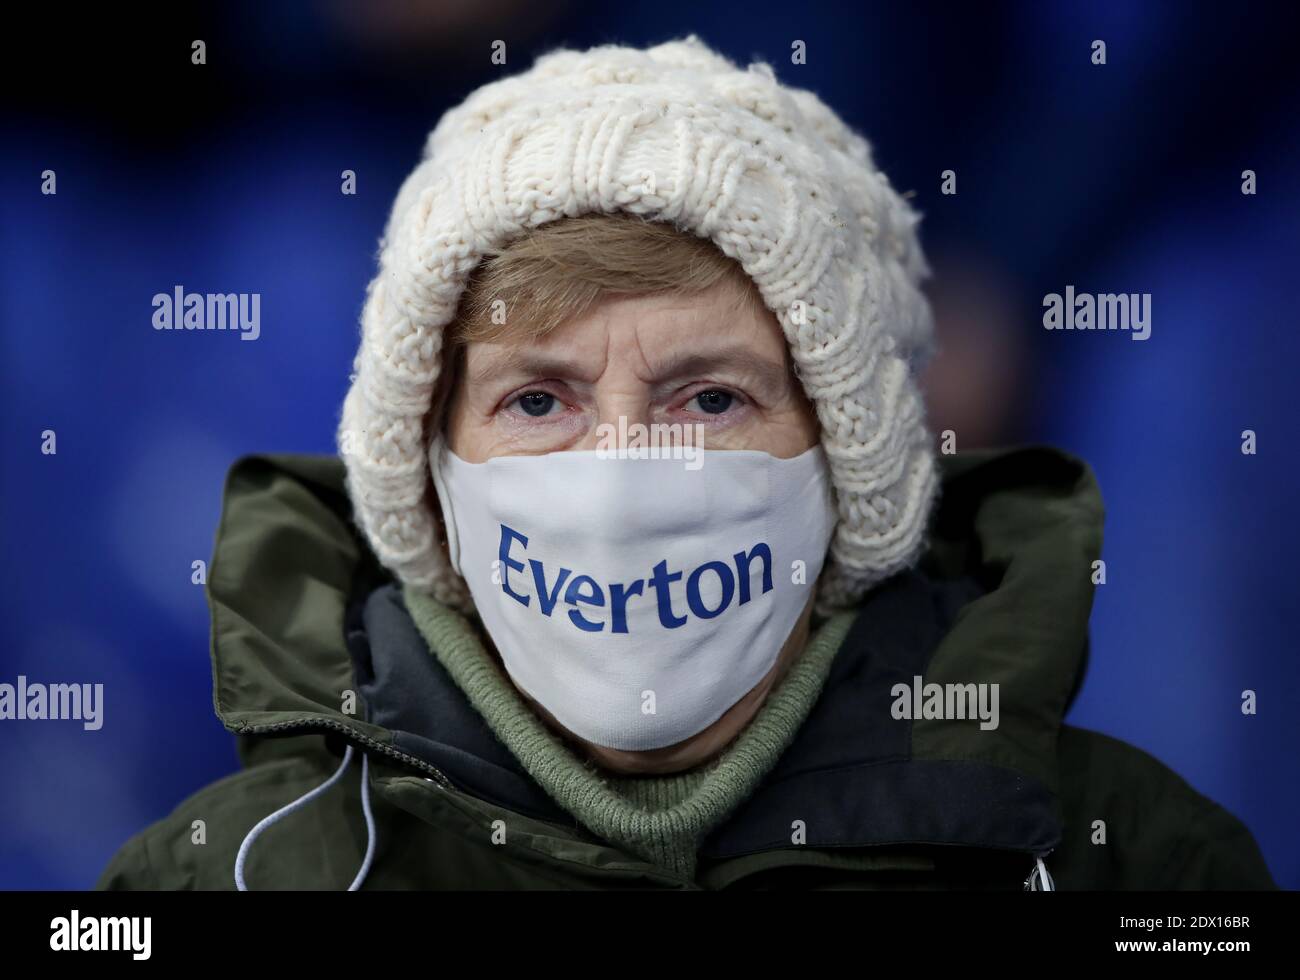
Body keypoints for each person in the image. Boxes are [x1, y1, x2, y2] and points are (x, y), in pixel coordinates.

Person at [98, 36, 1275, 890]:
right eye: (538, 397)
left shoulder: (1137, 862)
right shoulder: (222, 877)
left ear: (848, 466)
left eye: (709, 395)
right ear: (428, 476)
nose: (620, 475)